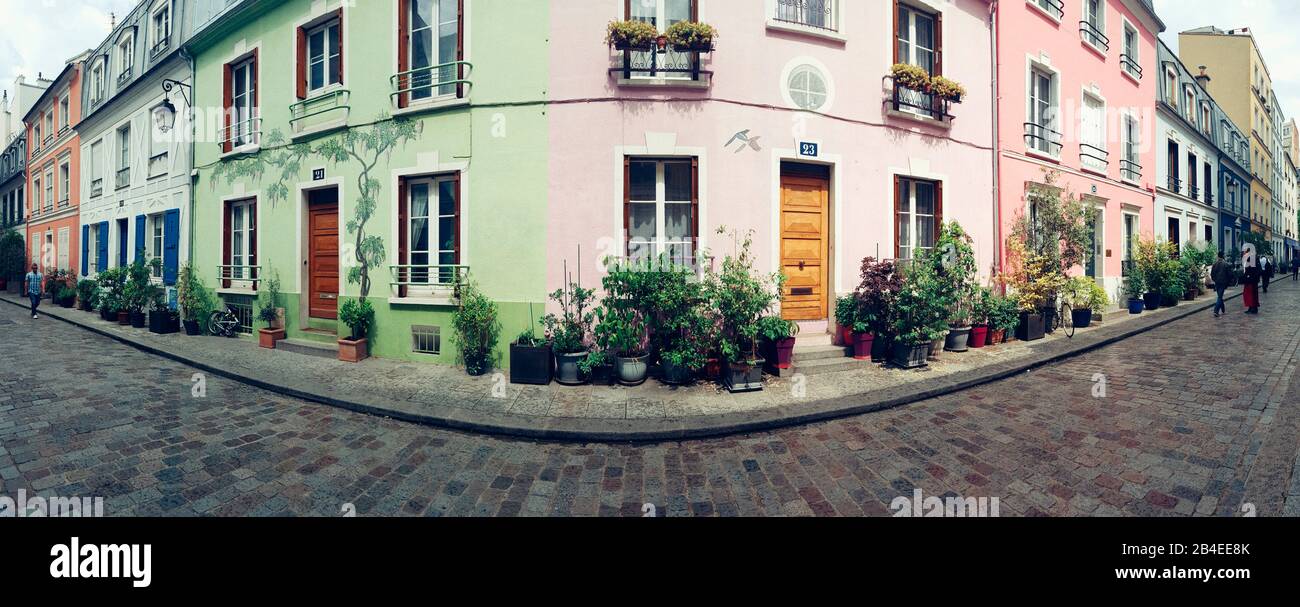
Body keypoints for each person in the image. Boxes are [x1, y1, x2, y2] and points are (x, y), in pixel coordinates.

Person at [1211, 252, 1231, 318]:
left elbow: (1212, 274)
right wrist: (1228, 282)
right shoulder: (1225, 264)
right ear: (1223, 256)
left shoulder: (1215, 264)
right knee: (1220, 296)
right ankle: (1216, 311)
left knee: (1220, 296)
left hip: (1217, 282)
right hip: (1223, 282)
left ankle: (1223, 309)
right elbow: (1229, 274)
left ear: (1218, 256)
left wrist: (1214, 280)